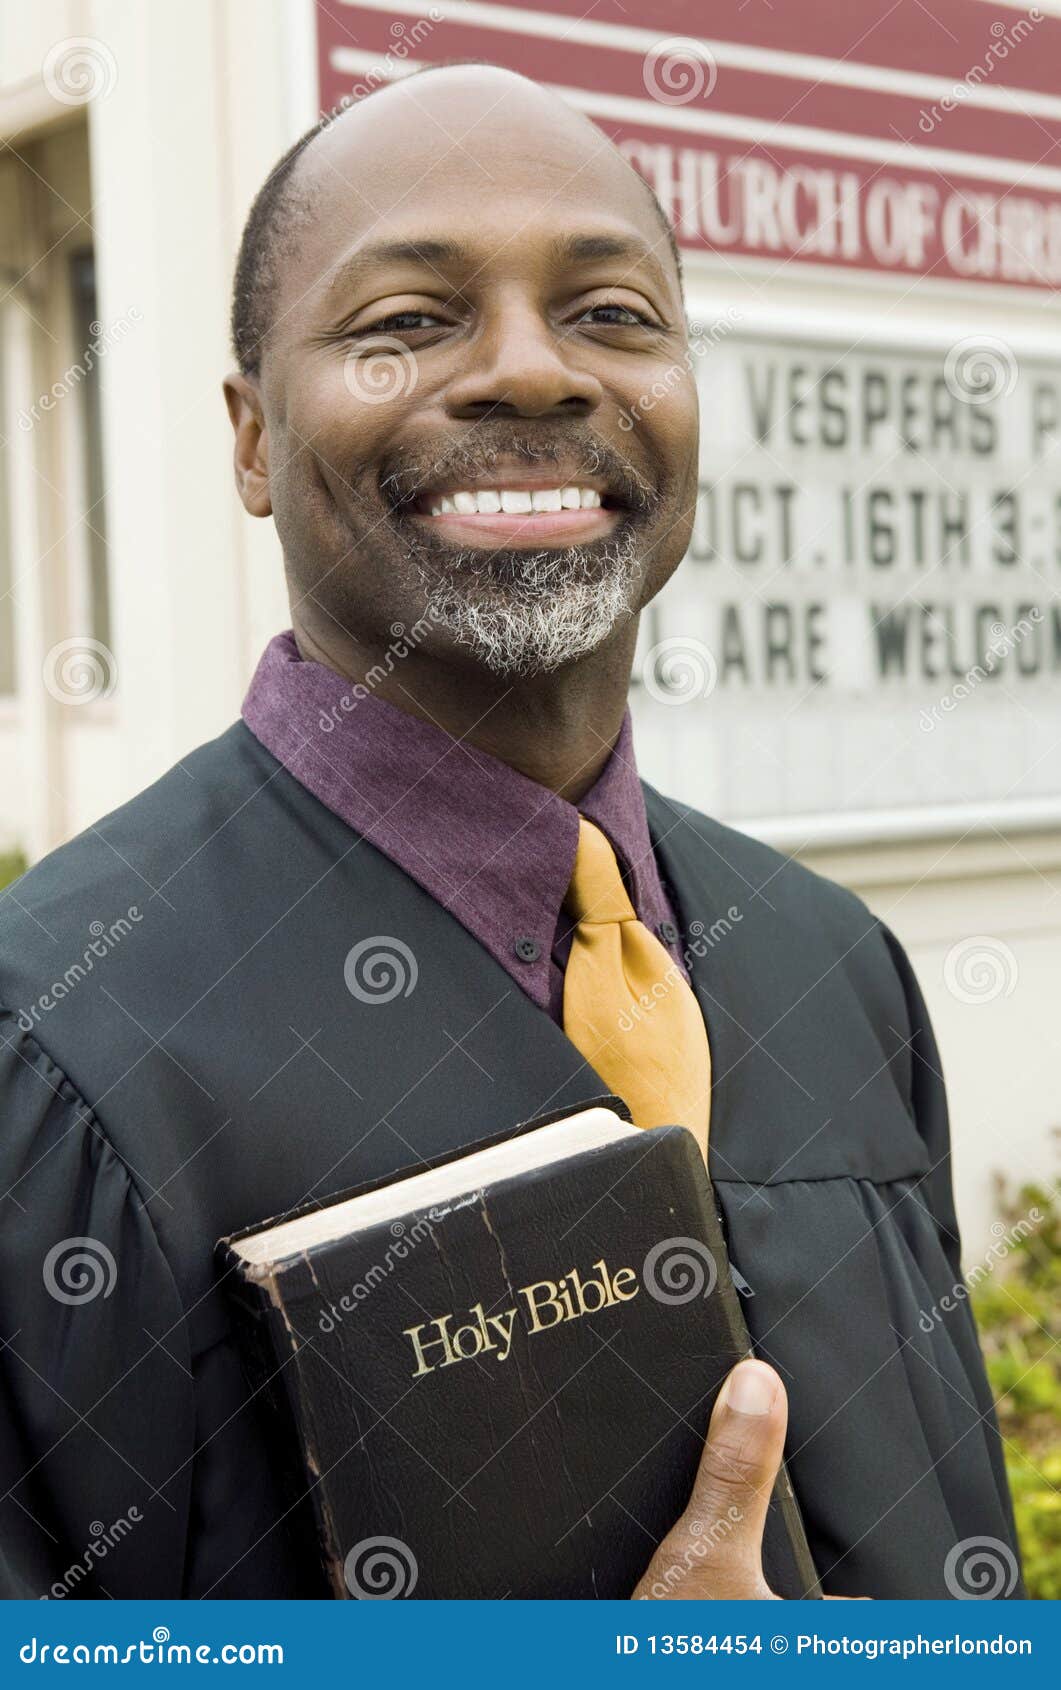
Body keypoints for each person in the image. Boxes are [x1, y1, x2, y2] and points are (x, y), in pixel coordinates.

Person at [0, 64, 1020, 1600]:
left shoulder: (828, 967)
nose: (534, 374)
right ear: (251, 439)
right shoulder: (58, 1045)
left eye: (611, 313)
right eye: (405, 320)